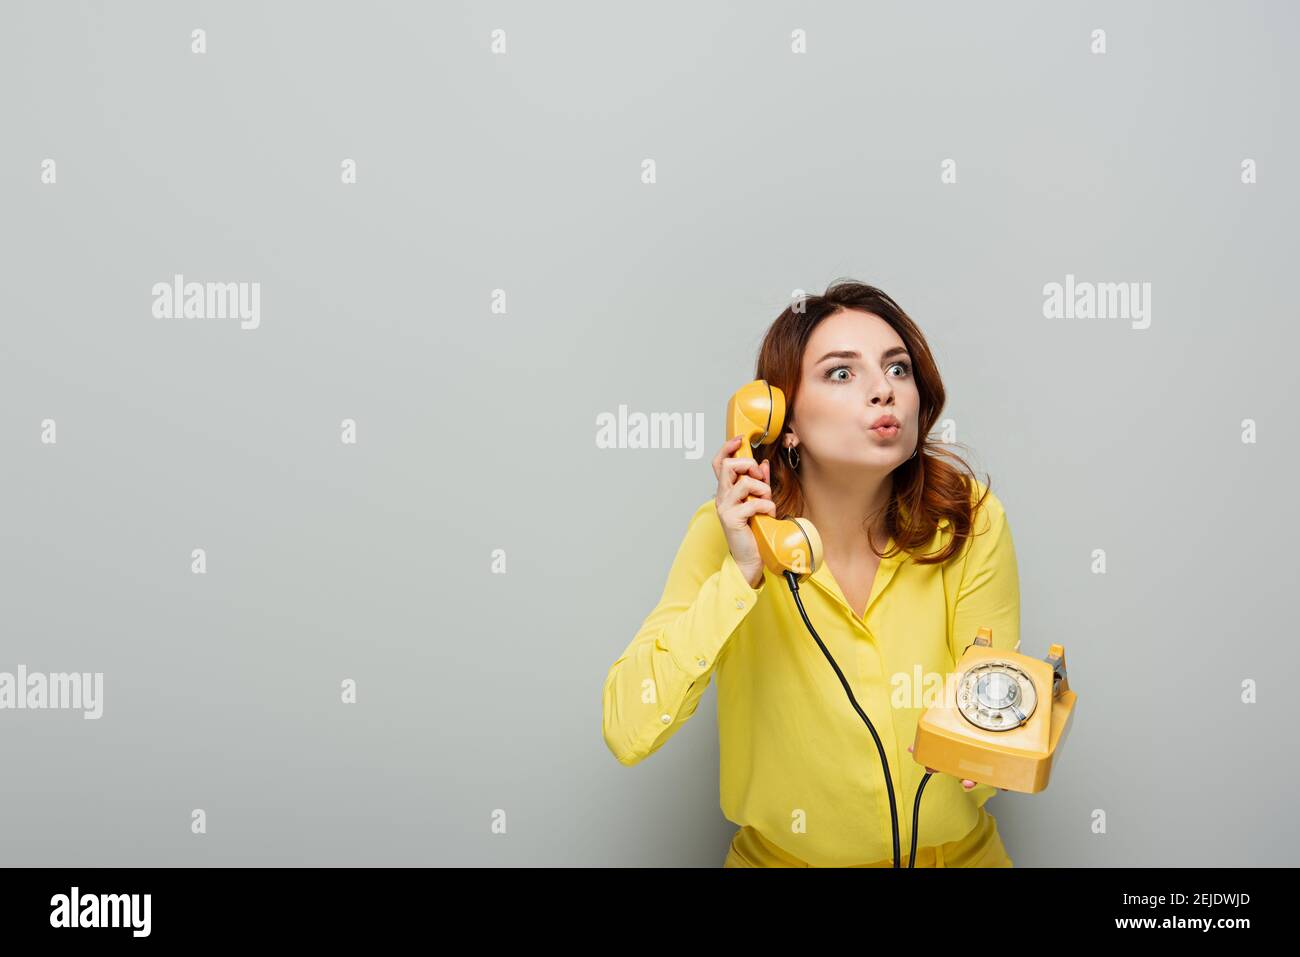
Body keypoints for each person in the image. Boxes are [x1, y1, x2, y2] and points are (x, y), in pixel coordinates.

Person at [602, 279, 1018, 867]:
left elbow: (994, 716)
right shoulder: (725, 536)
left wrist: (994, 751)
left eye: (897, 369)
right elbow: (629, 725)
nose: (883, 391)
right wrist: (741, 572)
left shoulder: (967, 517)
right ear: (781, 420)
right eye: (842, 374)